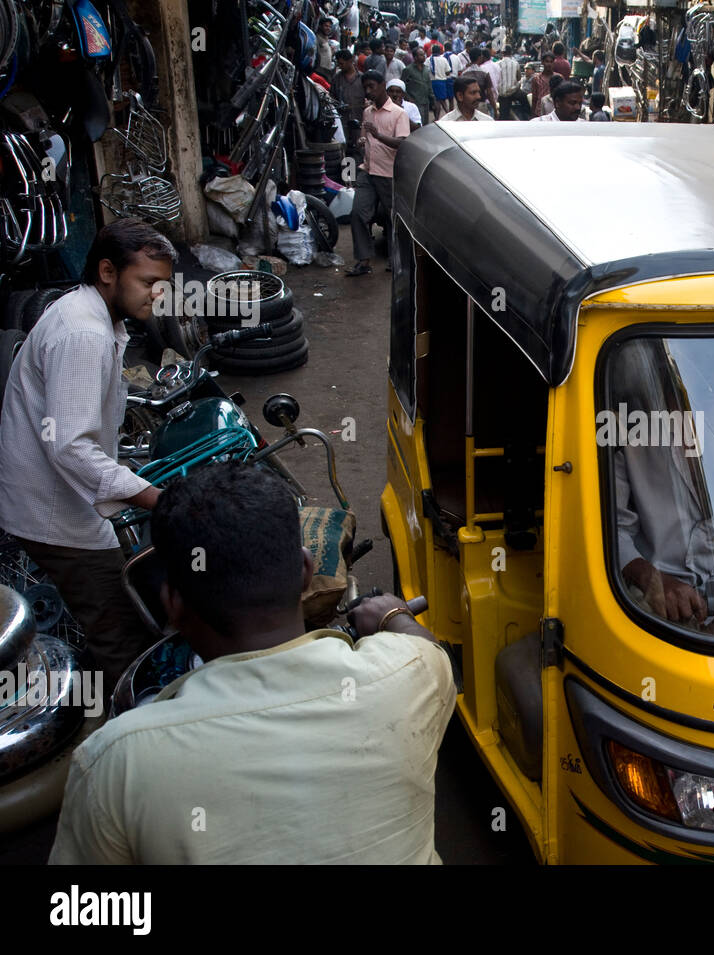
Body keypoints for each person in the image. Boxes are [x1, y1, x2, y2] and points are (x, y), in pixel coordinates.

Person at [49, 462, 457, 863]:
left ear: (172, 603)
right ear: (305, 571)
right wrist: (392, 615)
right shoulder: (413, 673)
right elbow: (435, 654)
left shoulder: (114, 761)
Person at [0, 219, 172, 688]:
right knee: (121, 633)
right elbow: (71, 447)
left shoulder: (96, 318)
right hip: (55, 512)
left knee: (124, 603)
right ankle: (126, 731)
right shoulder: (83, 333)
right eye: (148, 283)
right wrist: (156, 498)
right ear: (107, 271)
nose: (157, 296)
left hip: (64, 499)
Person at [346, 70, 410, 277]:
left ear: (382, 85)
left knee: (394, 219)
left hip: (388, 173)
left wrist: (377, 135)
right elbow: (366, 138)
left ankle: (396, 259)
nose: (368, 91)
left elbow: (402, 143)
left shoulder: (399, 114)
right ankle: (363, 260)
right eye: (366, 87)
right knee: (358, 213)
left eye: (372, 86)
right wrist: (363, 140)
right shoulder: (367, 112)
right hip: (368, 170)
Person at [331, 49, 367, 158]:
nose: (340, 66)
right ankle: (346, 172)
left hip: (359, 119)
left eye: (342, 63)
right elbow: (332, 97)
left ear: (350, 61)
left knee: (360, 148)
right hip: (343, 120)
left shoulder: (362, 78)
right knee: (343, 148)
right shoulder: (337, 78)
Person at [401, 44, 433, 125]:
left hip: (425, 101)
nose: (424, 56)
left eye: (424, 54)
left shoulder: (426, 69)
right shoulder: (408, 70)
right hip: (415, 102)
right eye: (421, 55)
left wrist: (433, 99)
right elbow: (402, 86)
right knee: (418, 124)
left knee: (425, 124)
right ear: (415, 57)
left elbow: (429, 85)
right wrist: (408, 98)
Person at [430, 42, 453, 117]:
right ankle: (448, 115)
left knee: (436, 101)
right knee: (442, 100)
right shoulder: (443, 60)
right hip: (442, 82)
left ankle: (437, 117)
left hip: (432, 82)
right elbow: (448, 71)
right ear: (440, 51)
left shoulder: (429, 60)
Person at [530, 52, 555, 118]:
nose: (549, 64)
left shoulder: (558, 78)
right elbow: (534, 98)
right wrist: (533, 115)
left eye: (551, 62)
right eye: (547, 61)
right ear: (542, 62)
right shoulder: (536, 79)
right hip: (539, 112)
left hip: (554, 112)